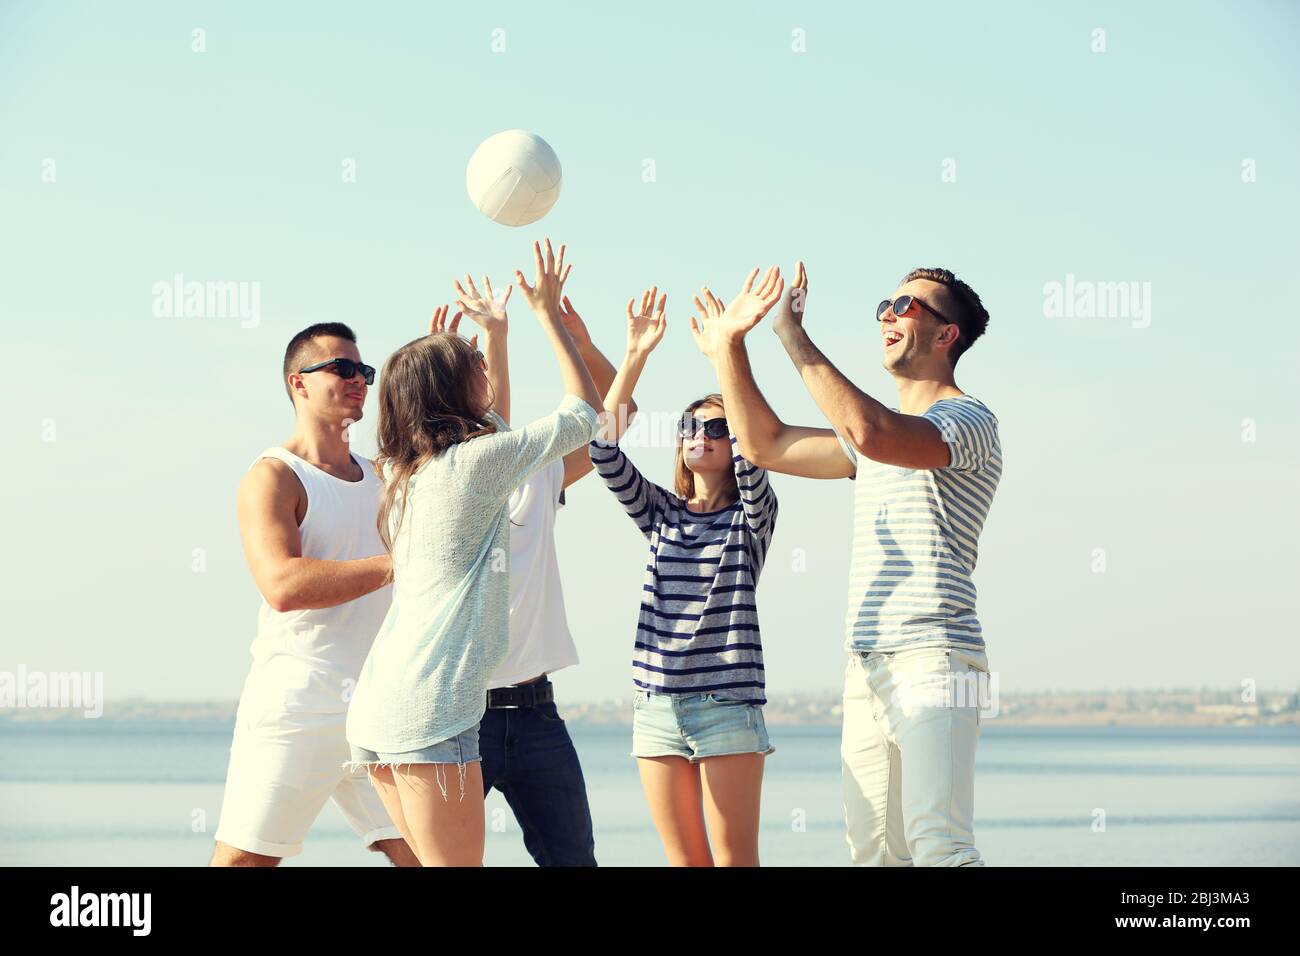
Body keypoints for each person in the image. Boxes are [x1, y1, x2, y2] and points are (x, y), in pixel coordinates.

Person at [689, 262, 1001, 867]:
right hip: (867, 665)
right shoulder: (881, 441)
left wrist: (791, 332)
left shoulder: (968, 420)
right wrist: (729, 347)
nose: (888, 313)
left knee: (942, 845)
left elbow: (868, 427)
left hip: (934, 657)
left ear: (946, 337)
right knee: (875, 855)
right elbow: (765, 445)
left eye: (907, 307)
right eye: (885, 303)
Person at [343, 239, 603, 867]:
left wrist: (481, 344)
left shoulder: (407, 473)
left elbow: (498, 433)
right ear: (451, 391)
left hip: (383, 709)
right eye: (472, 367)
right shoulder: (471, 466)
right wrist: (546, 317)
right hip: (433, 713)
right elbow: (584, 414)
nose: (483, 372)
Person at [211, 322, 416, 867]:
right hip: (297, 706)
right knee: (244, 863)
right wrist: (396, 565)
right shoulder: (274, 477)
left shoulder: (384, 477)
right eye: (341, 368)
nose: (358, 380)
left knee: (431, 859)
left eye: (364, 371)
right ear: (297, 383)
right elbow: (282, 584)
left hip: (378, 713)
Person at [588, 287, 779, 867]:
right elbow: (602, 449)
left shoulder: (751, 516)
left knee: (733, 861)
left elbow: (753, 453)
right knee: (685, 862)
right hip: (656, 707)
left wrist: (724, 351)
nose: (700, 434)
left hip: (727, 704)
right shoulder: (661, 514)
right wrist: (636, 354)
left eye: (716, 427)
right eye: (690, 425)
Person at [451, 279, 635, 867]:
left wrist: (568, 333)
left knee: (574, 859)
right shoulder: (432, 488)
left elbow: (613, 417)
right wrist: (492, 339)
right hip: (457, 718)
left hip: (535, 715)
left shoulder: (537, 474)